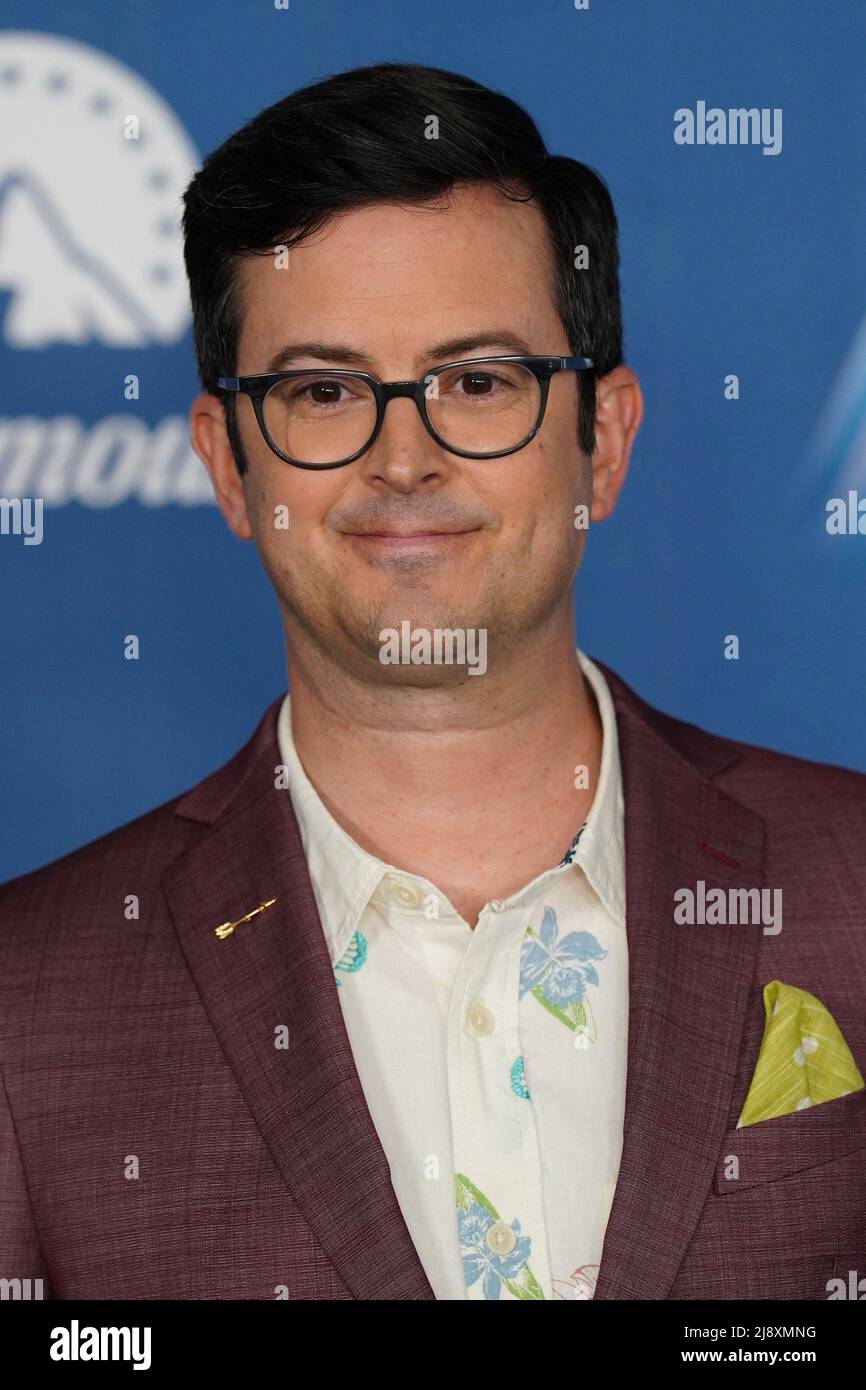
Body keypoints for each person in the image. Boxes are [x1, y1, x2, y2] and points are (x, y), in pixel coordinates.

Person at [1, 63, 864, 1302]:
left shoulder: (850, 883)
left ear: (601, 443)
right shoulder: (26, 1007)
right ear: (230, 468)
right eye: (320, 391)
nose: (402, 456)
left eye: (476, 382)